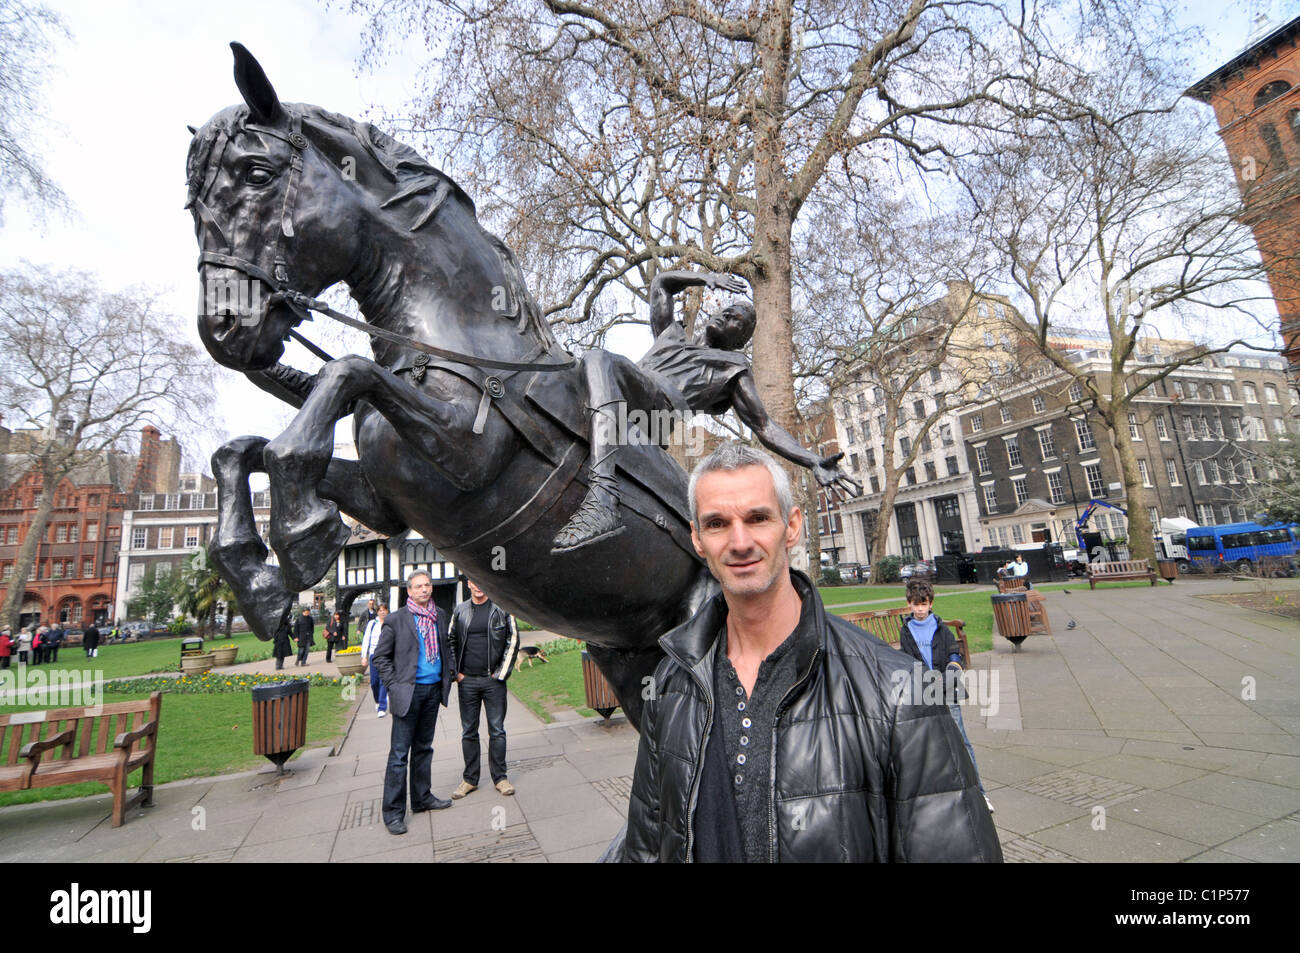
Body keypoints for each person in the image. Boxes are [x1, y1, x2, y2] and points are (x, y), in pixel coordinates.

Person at [623, 442, 1000, 862]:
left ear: (792, 526)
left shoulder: (899, 689)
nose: (740, 541)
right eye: (717, 524)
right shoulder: (669, 684)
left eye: (758, 517)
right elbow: (646, 847)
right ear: (697, 538)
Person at [552, 269, 859, 553]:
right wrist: (705, 278)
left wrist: (813, 459)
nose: (726, 314)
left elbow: (763, 425)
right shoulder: (670, 335)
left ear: (738, 340)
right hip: (624, 393)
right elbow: (661, 284)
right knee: (570, 370)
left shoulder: (732, 367)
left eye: (737, 318)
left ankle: (604, 498)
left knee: (598, 359)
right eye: (727, 309)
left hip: (657, 412)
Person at [897, 578, 994, 814]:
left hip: (947, 689)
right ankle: (939, 795)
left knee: (960, 740)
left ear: (931, 603)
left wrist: (952, 668)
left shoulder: (942, 628)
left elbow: (954, 652)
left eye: (924, 604)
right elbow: (907, 660)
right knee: (929, 744)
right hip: (924, 692)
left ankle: (979, 793)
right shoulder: (906, 631)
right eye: (915, 604)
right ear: (909, 604)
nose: (920, 609)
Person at [371, 570, 456, 834]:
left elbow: (447, 647)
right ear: (409, 591)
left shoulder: (440, 615)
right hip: (408, 693)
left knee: (424, 749)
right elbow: (380, 657)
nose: (424, 590)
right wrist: (393, 686)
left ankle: (422, 798)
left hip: (432, 692)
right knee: (399, 754)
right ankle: (393, 813)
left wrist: (450, 672)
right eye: (418, 586)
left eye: (427, 585)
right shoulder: (396, 620)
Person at [448, 579, 520, 799]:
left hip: (493, 682)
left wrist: (500, 674)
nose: (478, 585)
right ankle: (470, 779)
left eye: (481, 580)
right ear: (468, 583)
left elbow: (513, 639)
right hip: (467, 681)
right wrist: (457, 674)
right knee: (469, 731)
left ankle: (500, 778)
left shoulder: (502, 609)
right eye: (473, 581)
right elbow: (450, 640)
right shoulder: (460, 611)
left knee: (497, 729)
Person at [361, 604, 390, 717]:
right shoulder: (372, 624)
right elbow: (366, 639)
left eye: (384, 610)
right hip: (374, 654)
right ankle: (378, 700)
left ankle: (382, 707)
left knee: (383, 680)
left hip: (386, 655)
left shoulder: (390, 623)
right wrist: (364, 656)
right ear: (377, 612)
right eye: (380, 610)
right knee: (374, 682)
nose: (382, 612)